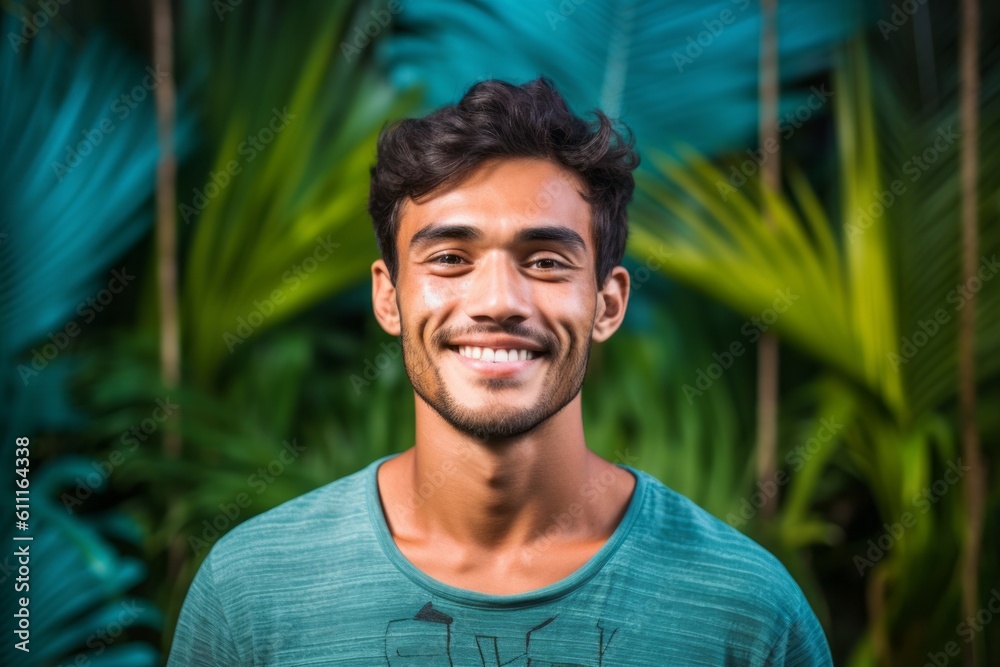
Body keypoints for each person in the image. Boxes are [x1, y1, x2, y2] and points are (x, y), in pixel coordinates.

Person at [167, 77, 833, 666]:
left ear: (607, 304)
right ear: (388, 298)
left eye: (545, 261)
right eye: (450, 258)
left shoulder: (747, 612)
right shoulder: (250, 593)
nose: (497, 302)